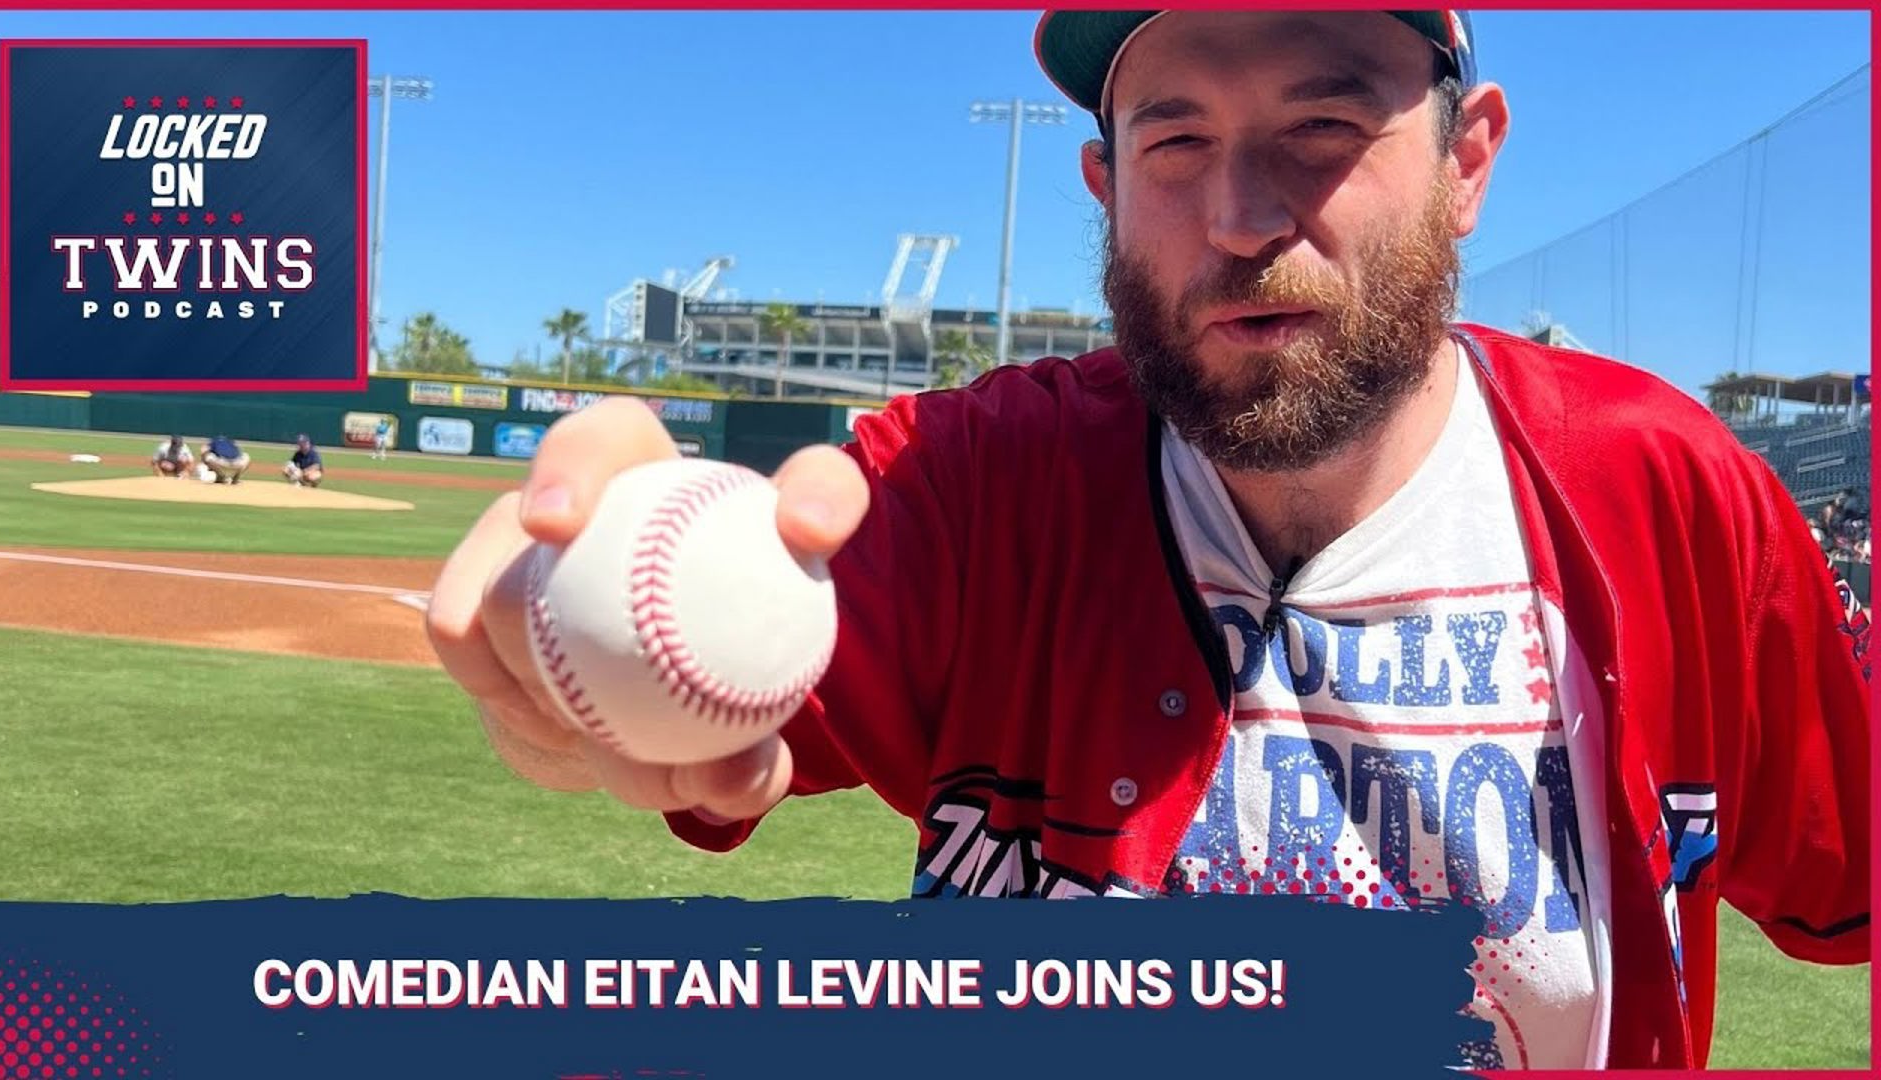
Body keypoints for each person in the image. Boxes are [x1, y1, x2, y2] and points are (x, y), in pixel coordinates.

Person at [425, 11, 1868, 1071]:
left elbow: (1847, 878)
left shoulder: (1667, 494)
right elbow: (739, 626)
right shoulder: (985, 481)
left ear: (1467, 161)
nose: (1241, 218)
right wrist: (566, 626)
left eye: (1324, 126)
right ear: (1107, 189)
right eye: (1176, 141)